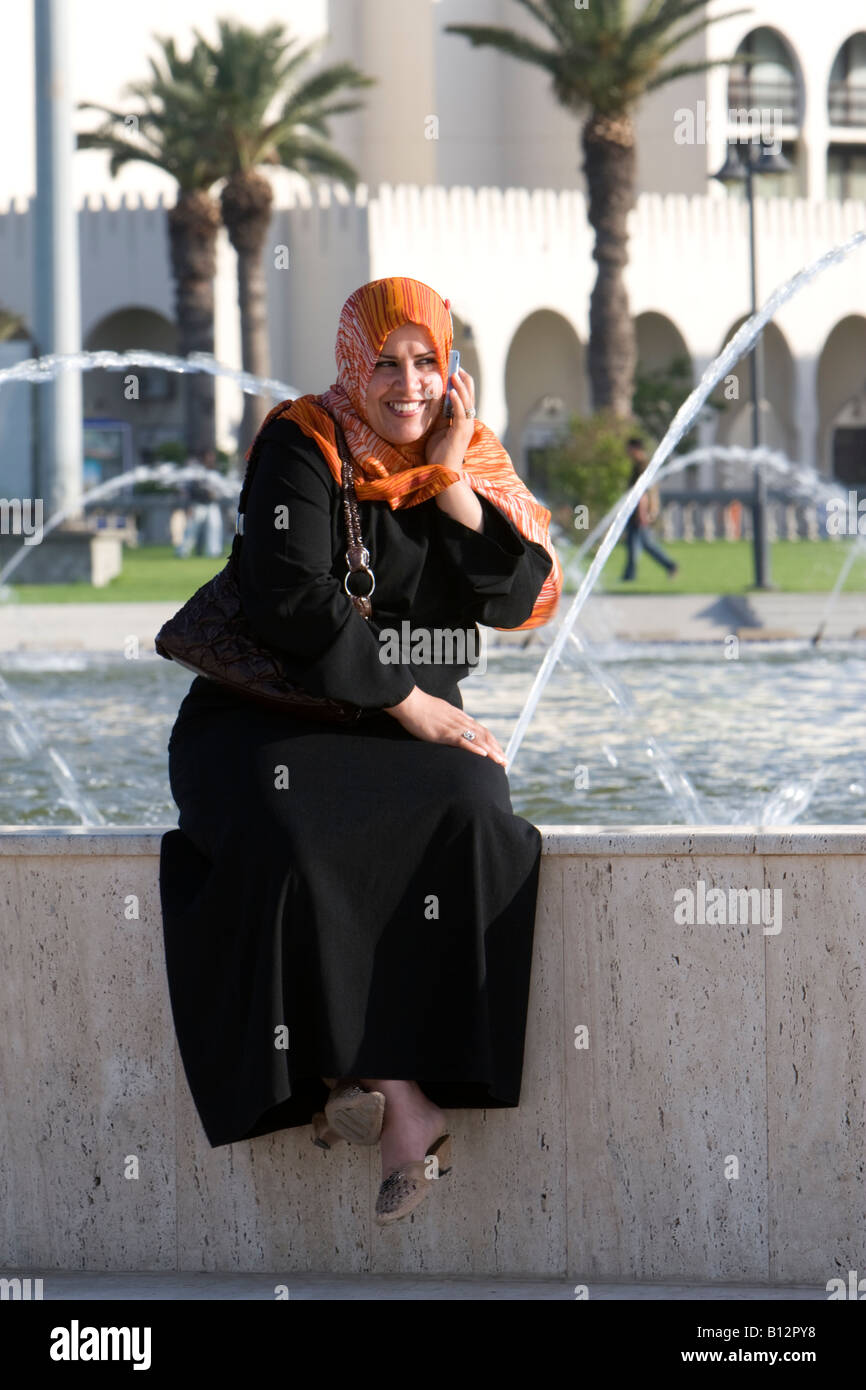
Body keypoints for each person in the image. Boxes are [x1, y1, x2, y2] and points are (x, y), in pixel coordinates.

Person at [158, 276, 563, 1227]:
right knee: (293, 833)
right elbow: (289, 597)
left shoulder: (465, 458)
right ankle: (391, 1090)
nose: (408, 384)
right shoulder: (302, 442)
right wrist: (409, 701)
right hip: (266, 718)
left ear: (452, 370)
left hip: (398, 722)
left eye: (427, 361)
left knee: (472, 815)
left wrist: (453, 482)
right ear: (354, 363)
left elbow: (519, 598)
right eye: (386, 362)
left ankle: (382, 1078)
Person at [621, 437, 678, 581]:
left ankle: (630, 576)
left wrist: (642, 514)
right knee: (643, 544)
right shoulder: (641, 465)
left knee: (638, 545)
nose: (627, 452)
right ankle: (669, 566)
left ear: (635, 449)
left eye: (629, 449)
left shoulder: (642, 466)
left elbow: (643, 493)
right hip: (638, 512)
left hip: (640, 512)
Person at [175, 448, 225, 558]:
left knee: (214, 528)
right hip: (197, 504)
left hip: (211, 504)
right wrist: (188, 505)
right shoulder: (194, 472)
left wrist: (215, 494)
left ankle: (214, 551)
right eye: (209, 456)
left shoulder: (214, 473)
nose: (211, 459)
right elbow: (187, 489)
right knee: (191, 530)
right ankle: (182, 552)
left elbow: (221, 490)